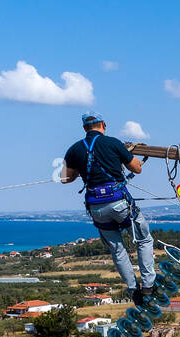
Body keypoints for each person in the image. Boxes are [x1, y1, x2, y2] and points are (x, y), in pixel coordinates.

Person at [62, 111, 156, 309]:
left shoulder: (74, 150)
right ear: (103, 124)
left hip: (96, 208)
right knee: (143, 239)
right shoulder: (113, 144)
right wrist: (126, 155)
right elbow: (137, 168)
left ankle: (133, 289)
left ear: (84, 128)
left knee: (117, 249)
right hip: (119, 202)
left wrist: (81, 167)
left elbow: (65, 178)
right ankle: (148, 286)